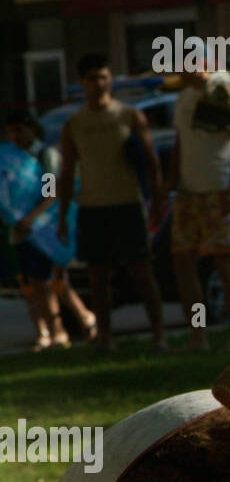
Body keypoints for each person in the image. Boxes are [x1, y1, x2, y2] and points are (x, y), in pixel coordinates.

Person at [57, 53, 168, 354]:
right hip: (92, 206)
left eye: (104, 77)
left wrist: (157, 202)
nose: (100, 83)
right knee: (97, 278)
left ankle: (159, 337)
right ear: (82, 83)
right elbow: (66, 173)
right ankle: (105, 340)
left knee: (142, 273)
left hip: (128, 204)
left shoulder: (130, 115)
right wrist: (63, 215)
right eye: (93, 78)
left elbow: (151, 163)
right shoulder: (74, 125)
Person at [163, 55, 230, 351]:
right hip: (188, 193)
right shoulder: (183, 99)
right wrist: (169, 183)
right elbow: (179, 143)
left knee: (224, 264)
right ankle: (198, 335)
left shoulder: (224, 90)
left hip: (219, 189)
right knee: (183, 263)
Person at [4, 110, 96, 349]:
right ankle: (46, 332)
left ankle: (68, 326)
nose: (15, 135)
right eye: (11, 131)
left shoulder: (45, 156)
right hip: (21, 230)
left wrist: (31, 219)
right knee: (29, 283)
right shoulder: (9, 158)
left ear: (32, 129)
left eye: (19, 130)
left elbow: (50, 193)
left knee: (49, 281)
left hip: (46, 230)